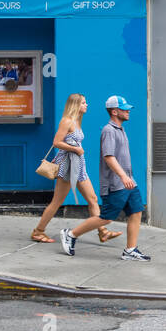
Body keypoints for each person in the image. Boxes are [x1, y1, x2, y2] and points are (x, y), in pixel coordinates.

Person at [61, 95, 150, 261]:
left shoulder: (120, 129)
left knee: (137, 211)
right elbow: (109, 157)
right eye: (124, 109)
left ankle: (130, 250)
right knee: (106, 218)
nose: (128, 111)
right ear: (115, 112)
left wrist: (127, 177)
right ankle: (71, 234)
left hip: (129, 182)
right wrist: (123, 176)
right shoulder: (108, 131)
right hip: (116, 184)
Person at [30, 94, 121, 245]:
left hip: (78, 166)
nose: (87, 105)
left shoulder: (77, 121)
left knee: (92, 199)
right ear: (76, 105)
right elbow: (57, 142)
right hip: (68, 167)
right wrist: (76, 149)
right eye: (84, 103)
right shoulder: (67, 121)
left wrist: (75, 150)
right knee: (57, 201)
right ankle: (38, 231)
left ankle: (103, 232)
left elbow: (66, 142)